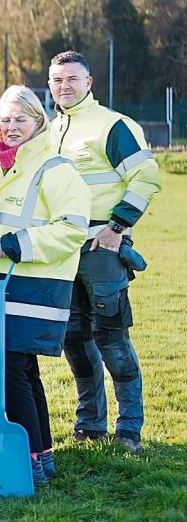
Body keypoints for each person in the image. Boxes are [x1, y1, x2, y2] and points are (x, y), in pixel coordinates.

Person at [0, 85, 91, 485]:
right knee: (21, 368)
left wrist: (21, 244)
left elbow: (73, 227)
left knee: (12, 368)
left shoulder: (55, 168)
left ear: (39, 122)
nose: (12, 126)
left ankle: (29, 457)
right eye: (5, 119)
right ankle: (43, 456)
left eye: (22, 119)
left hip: (32, 286)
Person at [47, 51, 162, 453]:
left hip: (100, 249)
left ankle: (129, 428)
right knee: (74, 340)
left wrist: (117, 227)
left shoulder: (111, 125)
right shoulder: (48, 129)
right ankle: (89, 424)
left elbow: (146, 176)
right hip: (61, 252)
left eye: (73, 79)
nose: (65, 86)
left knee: (112, 339)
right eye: (58, 80)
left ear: (89, 82)